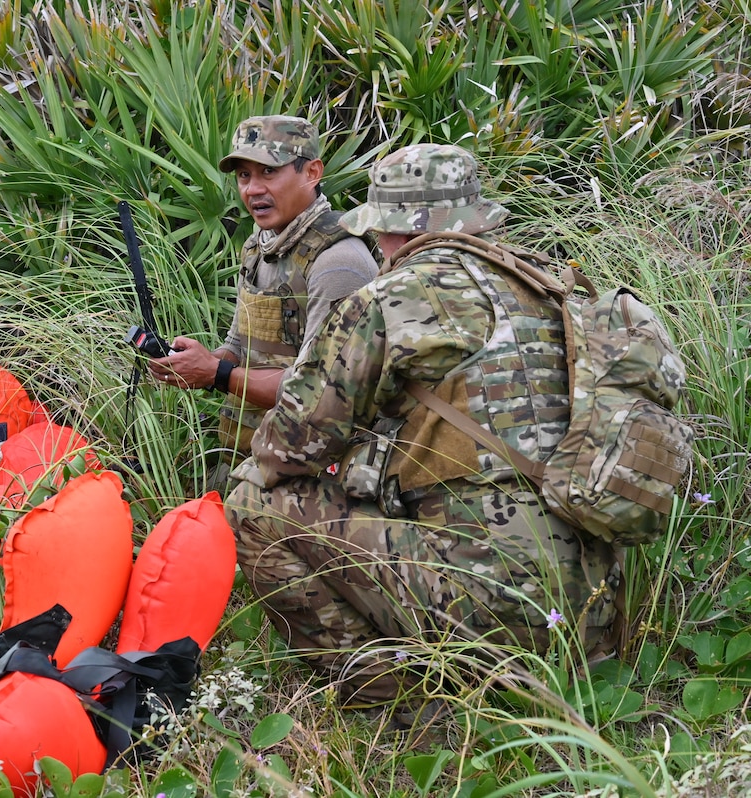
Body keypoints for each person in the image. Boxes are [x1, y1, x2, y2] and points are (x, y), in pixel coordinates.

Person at [224, 143, 621, 708]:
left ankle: (393, 690)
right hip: (591, 606)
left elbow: (292, 442)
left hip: (495, 612)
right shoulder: (547, 287)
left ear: (397, 232)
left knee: (251, 504)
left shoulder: (388, 300)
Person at [147, 115, 378, 454]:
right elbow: (240, 345)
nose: (252, 189)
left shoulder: (337, 263)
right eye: (244, 175)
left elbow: (319, 392)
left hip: (317, 468)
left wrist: (216, 374)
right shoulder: (260, 246)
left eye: (269, 171)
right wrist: (194, 364)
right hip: (256, 446)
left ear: (312, 172)